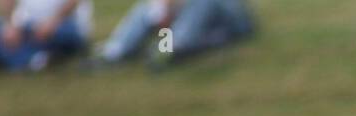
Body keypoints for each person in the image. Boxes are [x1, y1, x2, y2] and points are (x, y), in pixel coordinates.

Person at [85, 0, 255, 69]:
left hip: (231, 22)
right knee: (147, 9)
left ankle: (172, 49)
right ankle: (115, 52)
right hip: (202, 25)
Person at [0, 0, 92, 71]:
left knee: (66, 34)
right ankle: (38, 60)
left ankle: (8, 57)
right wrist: (9, 25)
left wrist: (53, 22)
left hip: (62, 25)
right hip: (26, 27)